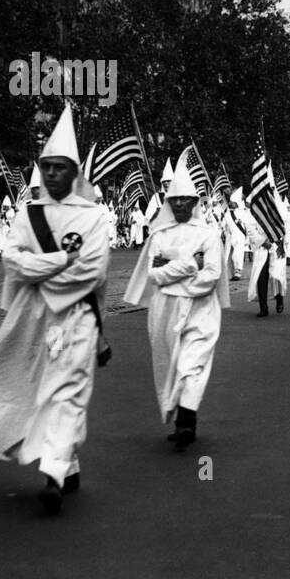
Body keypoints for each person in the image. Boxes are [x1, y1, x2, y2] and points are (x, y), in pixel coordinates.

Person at [0, 104, 111, 514]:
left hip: (76, 316)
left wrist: (39, 271)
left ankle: (54, 475)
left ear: (74, 172)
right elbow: (11, 258)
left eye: (60, 167)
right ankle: (67, 461)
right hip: (31, 318)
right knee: (36, 387)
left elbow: (91, 273)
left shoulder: (94, 218)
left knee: (68, 391)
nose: (52, 174)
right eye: (46, 167)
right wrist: (60, 261)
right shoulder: (29, 214)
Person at [124, 157, 228, 448]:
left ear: (195, 201)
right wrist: (188, 264)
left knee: (192, 364)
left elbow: (212, 275)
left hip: (201, 308)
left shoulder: (208, 235)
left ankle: (186, 422)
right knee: (168, 363)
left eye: (186, 199)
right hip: (164, 309)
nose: (181, 204)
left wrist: (174, 269)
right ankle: (179, 415)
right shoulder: (159, 234)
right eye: (175, 200)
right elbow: (153, 274)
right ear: (168, 203)